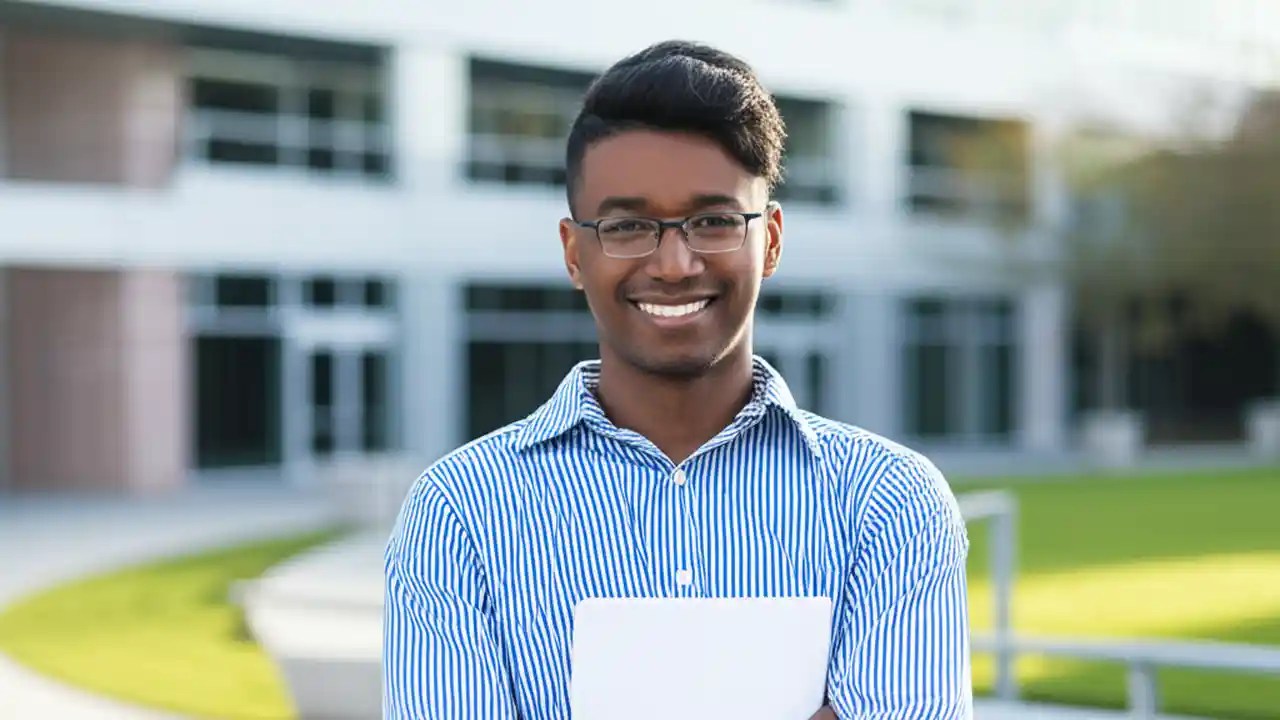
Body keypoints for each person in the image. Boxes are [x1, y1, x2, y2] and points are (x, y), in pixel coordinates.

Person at [383, 39, 972, 720]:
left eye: (713, 221)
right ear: (574, 253)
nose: (673, 264)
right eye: (628, 226)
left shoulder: (889, 505)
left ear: (771, 240)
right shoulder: (458, 515)